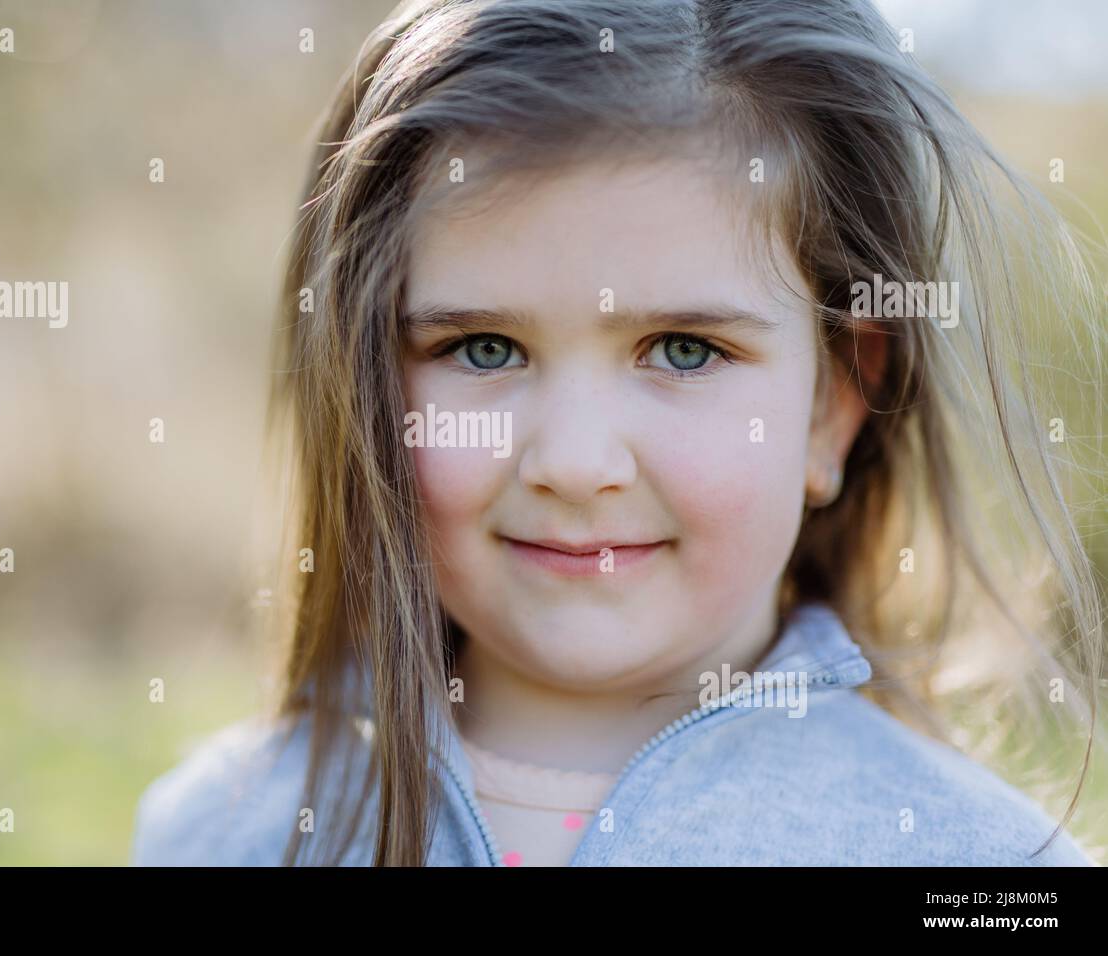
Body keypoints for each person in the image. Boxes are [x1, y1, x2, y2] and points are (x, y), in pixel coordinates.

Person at [132, 0, 1104, 866]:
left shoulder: (978, 858)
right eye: (480, 349)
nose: (574, 462)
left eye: (682, 350)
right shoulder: (222, 830)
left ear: (832, 405)